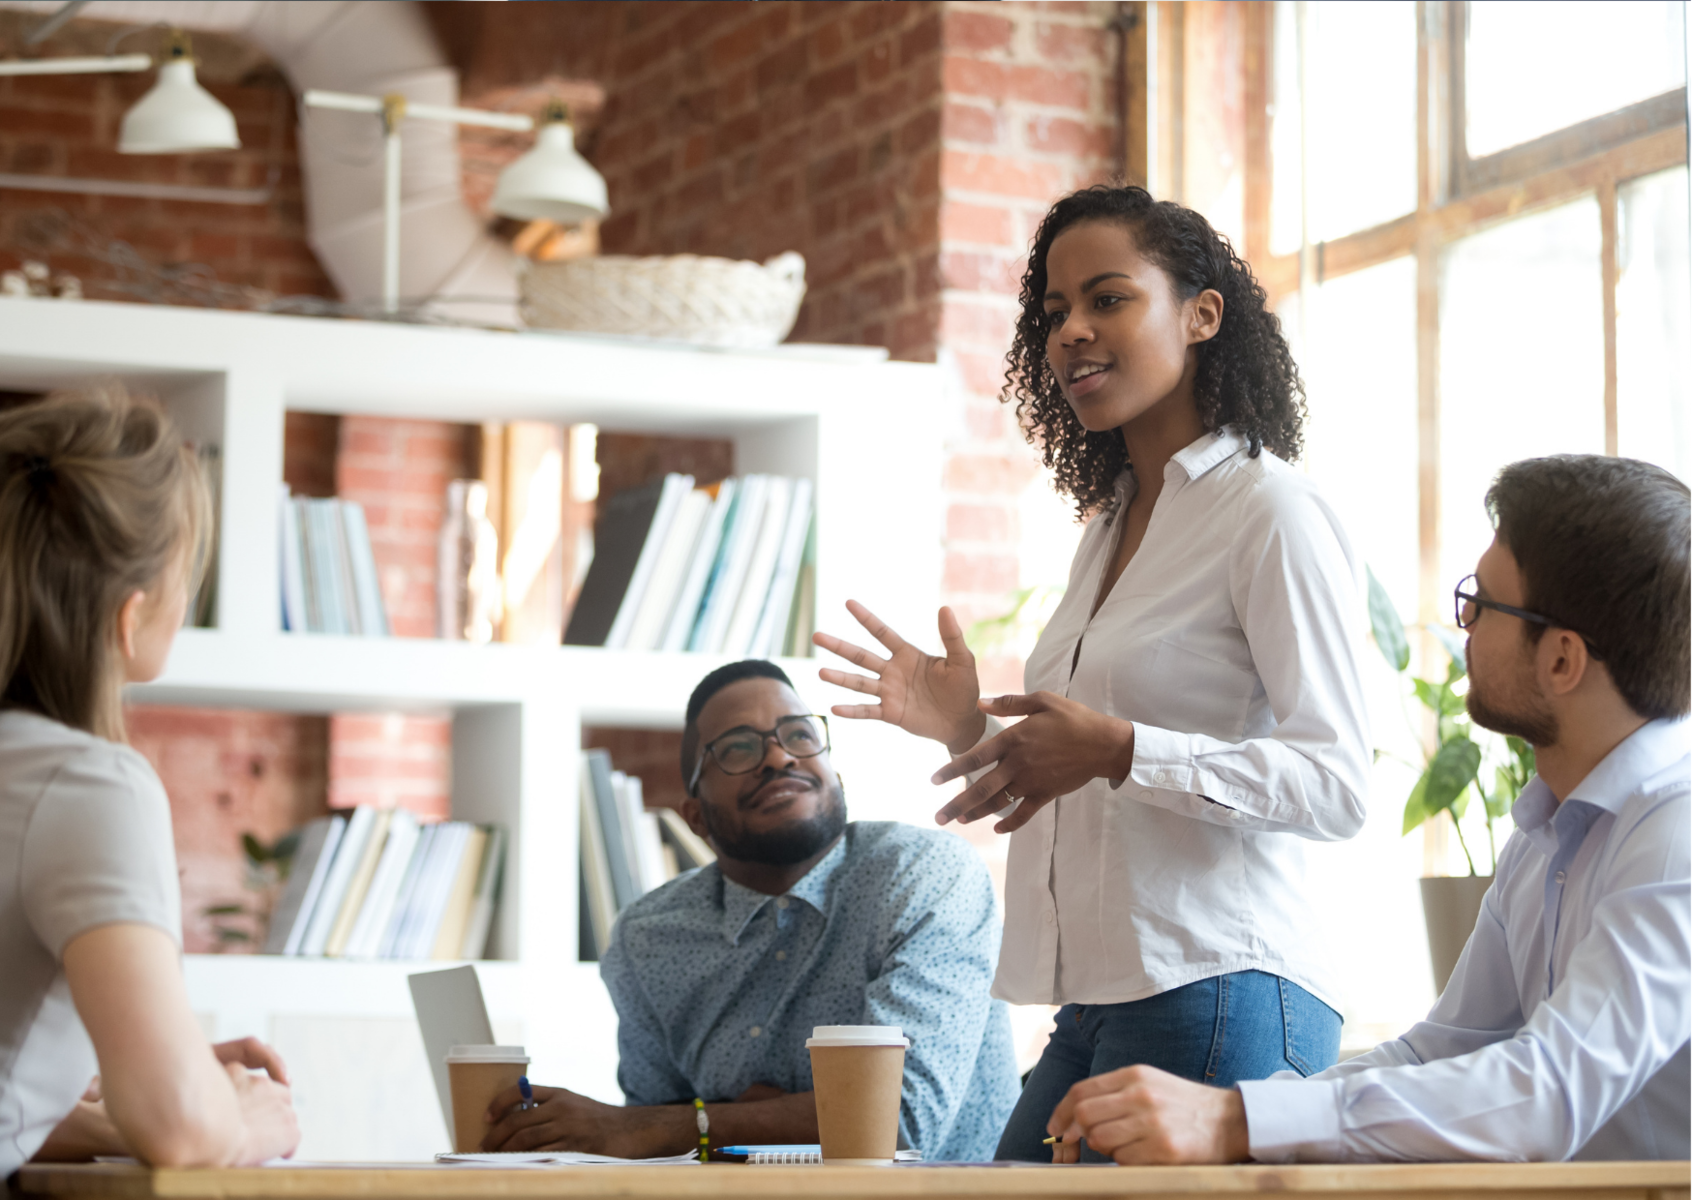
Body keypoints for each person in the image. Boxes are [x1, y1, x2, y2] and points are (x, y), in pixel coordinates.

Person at [813, 184, 1371, 1161]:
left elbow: (1336, 784)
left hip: (1225, 987)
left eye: (1107, 299)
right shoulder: (1109, 528)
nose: (1071, 331)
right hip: (1101, 1002)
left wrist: (1118, 749)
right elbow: (1087, 767)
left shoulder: (1269, 514)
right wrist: (964, 730)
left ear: (1202, 314)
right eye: (1053, 312)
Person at [1048, 454, 1690, 1164]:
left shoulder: (1675, 836)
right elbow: (1441, 1048)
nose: (1464, 621)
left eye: (1484, 602)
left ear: (1563, 661)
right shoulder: (1549, 831)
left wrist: (1238, 1123)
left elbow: (1546, 1094)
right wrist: (1247, 1115)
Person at [480, 660, 1020, 1160]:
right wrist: (736, 1121)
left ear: (837, 777)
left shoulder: (923, 875)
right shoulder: (647, 939)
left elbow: (894, 1123)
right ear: (695, 816)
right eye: (738, 748)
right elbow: (658, 1151)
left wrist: (692, 1125)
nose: (780, 756)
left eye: (801, 736)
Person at [0, 388, 300, 1174]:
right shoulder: (88, 785)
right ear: (130, 619)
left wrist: (146, 1081)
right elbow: (183, 1134)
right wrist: (241, 1116)